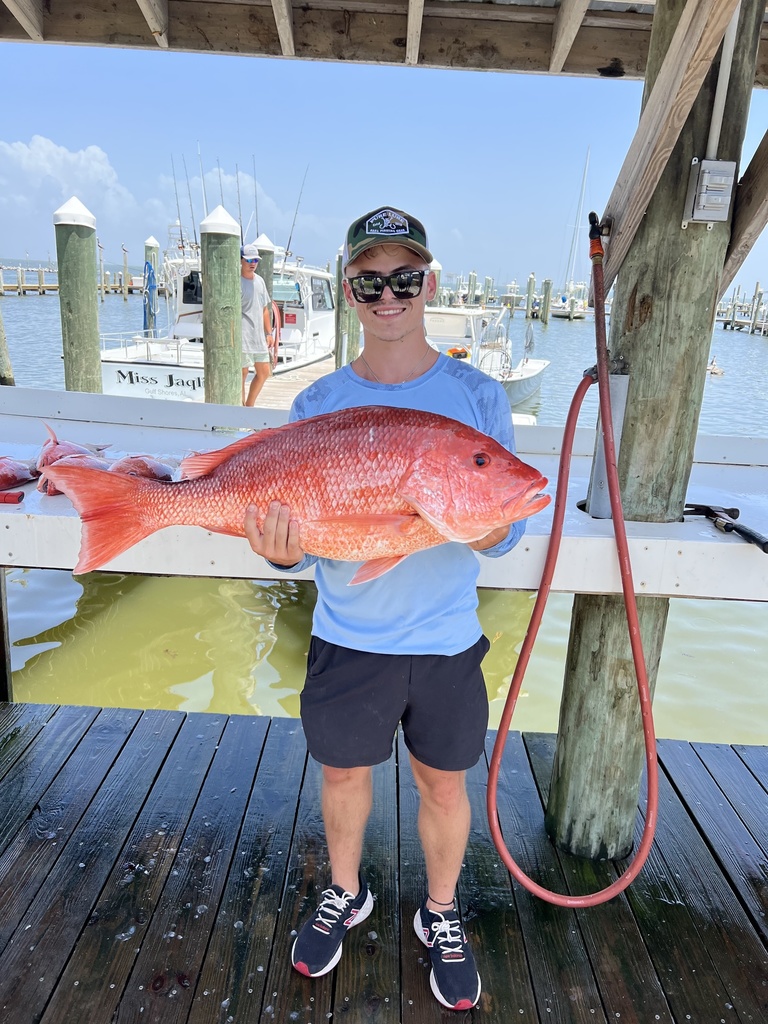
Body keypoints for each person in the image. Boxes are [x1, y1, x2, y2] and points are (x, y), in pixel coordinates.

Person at [244, 207, 525, 1012]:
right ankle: (345, 891)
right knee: (342, 773)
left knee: (444, 785)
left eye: (405, 278)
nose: (390, 294)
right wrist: (280, 549)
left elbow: (505, 533)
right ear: (349, 291)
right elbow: (295, 538)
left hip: (444, 641)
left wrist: (499, 521)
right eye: (372, 280)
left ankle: (440, 912)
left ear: (429, 282)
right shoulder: (319, 401)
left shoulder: (478, 396)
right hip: (347, 634)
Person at [240, 243, 273, 406]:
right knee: (242, 373)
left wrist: (269, 333)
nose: (252, 263)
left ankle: (249, 406)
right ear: (240, 260)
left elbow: (264, 309)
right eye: (248, 260)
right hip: (242, 336)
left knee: (264, 372)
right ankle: (240, 410)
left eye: (255, 260)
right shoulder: (235, 282)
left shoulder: (259, 281)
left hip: (258, 336)